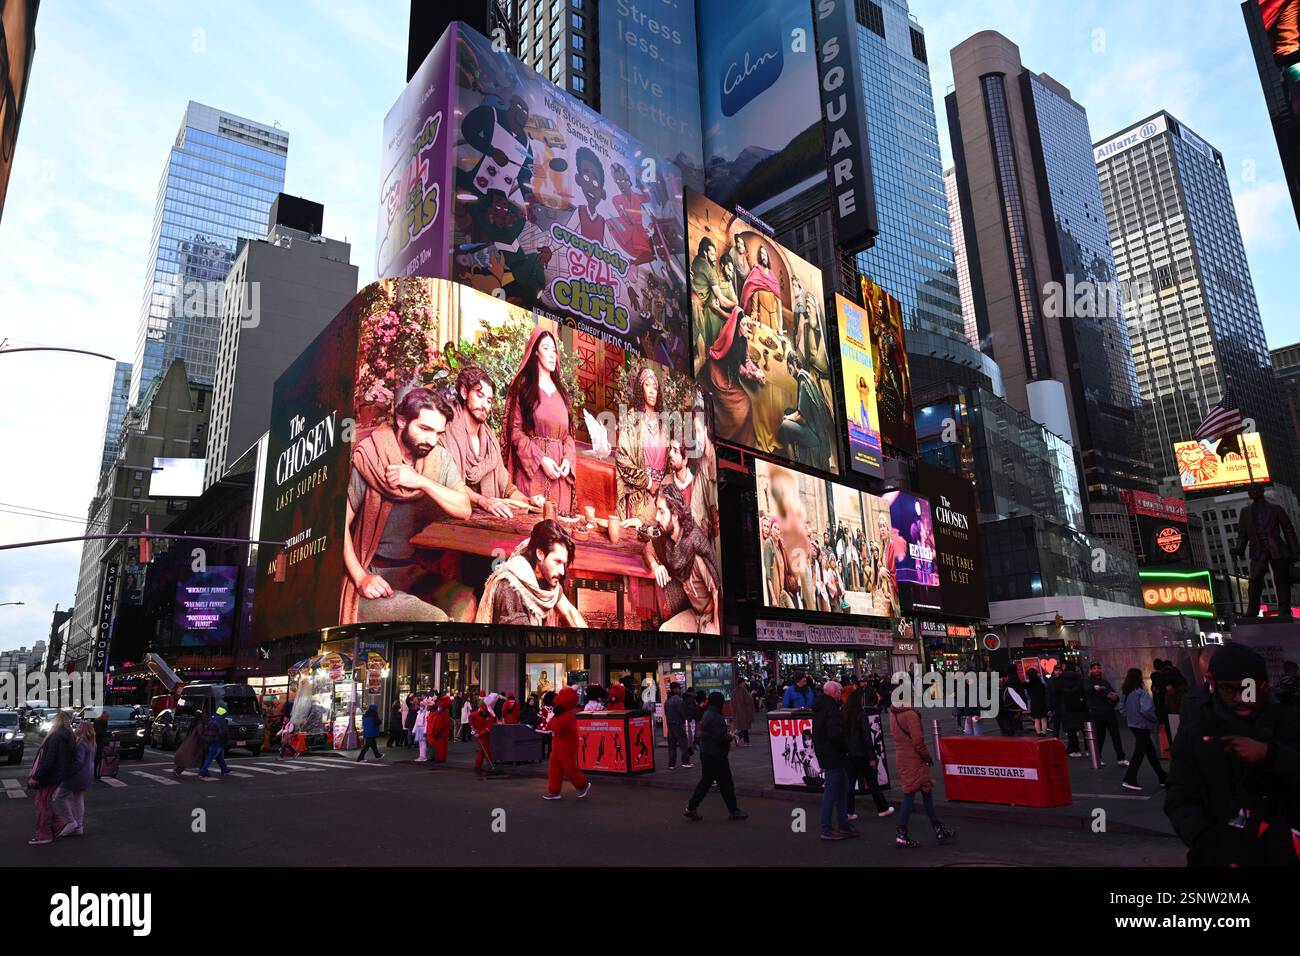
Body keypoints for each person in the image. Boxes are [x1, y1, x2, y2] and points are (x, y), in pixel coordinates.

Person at [341, 387, 472, 625]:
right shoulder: (372, 457)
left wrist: (420, 481)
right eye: (424, 429)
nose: (431, 440)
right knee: (433, 618)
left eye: (438, 433)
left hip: (411, 570)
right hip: (372, 572)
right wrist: (361, 578)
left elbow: (464, 508)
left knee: (466, 602)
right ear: (402, 421)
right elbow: (336, 526)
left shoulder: (438, 459)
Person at [1165, 643, 1300, 865]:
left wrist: (1271, 755)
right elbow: (1179, 796)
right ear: (1215, 687)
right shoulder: (1197, 731)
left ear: (1263, 685)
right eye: (1229, 689)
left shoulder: (1291, 721)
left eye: (1248, 689)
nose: (1240, 698)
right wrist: (1205, 839)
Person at [441, 365, 546, 521]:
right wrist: (483, 501)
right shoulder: (445, 431)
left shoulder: (490, 440)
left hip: (484, 519)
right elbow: (449, 482)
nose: (485, 405)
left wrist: (528, 501)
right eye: (480, 395)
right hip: (449, 516)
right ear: (464, 392)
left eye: (489, 400)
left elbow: (506, 488)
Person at [502, 327, 576, 515]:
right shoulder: (524, 388)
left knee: (557, 534)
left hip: (559, 476)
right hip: (532, 474)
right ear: (535, 352)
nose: (552, 355)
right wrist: (541, 460)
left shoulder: (562, 393)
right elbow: (515, 432)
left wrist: (568, 460)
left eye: (554, 350)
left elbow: (568, 436)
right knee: (530, 530)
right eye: (546, 348)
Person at [691, 236, 757, 445]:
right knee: (700, 355)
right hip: (698, 312)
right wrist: (736, 310)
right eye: (711, 253)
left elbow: (743, 361)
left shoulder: (740, 337)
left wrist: (753, 371)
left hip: (727, 374)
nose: (713, 256)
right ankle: (689, 390)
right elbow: (721, 301)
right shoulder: (711, 272)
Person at [477, 519, 588, 627]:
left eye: (563, 564)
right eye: (557, 562)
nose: (562, 571)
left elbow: (569, 612)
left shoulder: (545, 574)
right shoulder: (512, 587)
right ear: (540, 554)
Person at [644, 483, 722, 633]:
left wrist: (715, 627)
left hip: (711, 616)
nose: (656, 517)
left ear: (674, 515)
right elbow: (648, 547)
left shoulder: (696, 549)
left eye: (661, 512)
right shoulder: (666, 539)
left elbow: (715, 591)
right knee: (665, 630)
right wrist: (656, 565)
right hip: (694, 614)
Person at [890, 696, 954, 847]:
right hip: (915, 759)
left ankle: (937, 827)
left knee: (923, 791)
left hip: (903, 757)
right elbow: (918, 741)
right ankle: (903, 832)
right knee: (913, 794)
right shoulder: (910, 715)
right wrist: (927, 757)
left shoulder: (894, 713)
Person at [1233, 483, 1297, 619]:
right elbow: (1242, 533)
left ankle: (1284, 610)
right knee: (1255, 579)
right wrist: (1239, 549)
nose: (1251, 492)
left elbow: (1288, 529)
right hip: (1258, 550)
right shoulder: (1245, 512)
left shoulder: (1276, 509)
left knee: (1282, 581)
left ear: (1261, 491)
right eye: (1249, 490)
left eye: (1254, 489)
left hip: (1278, 549)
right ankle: (1252, 610)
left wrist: (1294, 551)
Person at [684, 692, 748, 821]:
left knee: (706, 782)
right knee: (726, 783)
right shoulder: (717, 717)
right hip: (717, 755)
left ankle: (691, 808)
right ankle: (733, 810)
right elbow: (721, 738)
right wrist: (730, 736)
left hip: (706, 753)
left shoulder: (707, 714)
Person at [615, 365, 668, 524]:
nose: (652, 391)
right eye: (647, 385)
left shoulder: (663, 423)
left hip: (660, 498)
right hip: (638, 495)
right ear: (640, 388)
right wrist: (649, 483)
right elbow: (622, 459)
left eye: (655, 387)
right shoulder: (632, 418)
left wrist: (661, 487)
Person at [811, 681, 855, 840]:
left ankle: (843, 824)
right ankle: (826, 828)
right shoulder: (832, 709)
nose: (840, 693)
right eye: (839, 691)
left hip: (826, 752)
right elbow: (835, 734)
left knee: (843, 786)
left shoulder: (820, 707)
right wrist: (846, 747)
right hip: (833, 754)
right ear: (833, 692)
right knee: (832, 791)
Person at [844, 686, 894, 820]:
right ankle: (882, 808)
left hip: (849, 754)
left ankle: (848, 811)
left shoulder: (843, 713)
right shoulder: (861, 714)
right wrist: (872, 757)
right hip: (862, 753)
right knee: (872, 782)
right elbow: (866, 737)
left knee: (850, 784)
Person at [27, 711, 75, 846]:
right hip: (56, 775)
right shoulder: (67, 736)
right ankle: (58, 824)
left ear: (57, 721)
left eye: (53, 719)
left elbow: (49, 761)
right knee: (42, 803)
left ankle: (45, 834)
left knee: (43, 806)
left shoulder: (55, 737)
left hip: (49, 776)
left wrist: (36, 776)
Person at [1119, 668, 1166, 790]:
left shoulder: (1126, 691)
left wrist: (1129, 716)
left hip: (1133, 724)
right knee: (1139, 752)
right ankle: (1129, 778)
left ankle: (1162, 776)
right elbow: (1146, 709)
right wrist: (1154, 718)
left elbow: (1121, 708)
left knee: (1149, 751)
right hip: (1143, 725)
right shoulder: (1141, 692)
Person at [542, 686, 591, 800]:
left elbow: (555, 727)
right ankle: (554, 791)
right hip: (559, 742)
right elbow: (552, 726)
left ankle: (583, 785)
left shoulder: (566, 715)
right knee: (554, 768)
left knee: (569, 767)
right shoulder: (562, 714)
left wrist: (551, 720)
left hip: (567, 744)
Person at [52, 720, 95, 838]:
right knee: (78, 798)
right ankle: (79, 826)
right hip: (87, 775)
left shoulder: (81, 743)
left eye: (79, 726)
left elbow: (79, 761)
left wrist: (68, 772)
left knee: (59, 798)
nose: (76, 728)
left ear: (83, 729)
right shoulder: (92, 742)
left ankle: (71, 822)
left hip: (77, 775)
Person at [1086, 662, 1127, 766]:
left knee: (1116, 735)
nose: (1097, 670)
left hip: (1109, 711)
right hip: (1097, 712)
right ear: (1090, 670)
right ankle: (1098, 757)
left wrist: (1114, 697)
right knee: (1100, 736)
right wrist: (1094, 689)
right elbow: (1085, 691)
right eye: (1094, 668)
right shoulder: (1087, 682)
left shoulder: (1105, 681)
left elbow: (1113, 694)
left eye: (1098, 668)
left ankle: (1121, 758)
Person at [1055, 664, 1088, 756]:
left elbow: (1055, 692)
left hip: (1066, 708)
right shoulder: (1079, 679)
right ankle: (1088, 749)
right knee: (1084, 729)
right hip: (1080, 707)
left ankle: (1074, 749)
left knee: (1071, 731)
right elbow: (1084, 692)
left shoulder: (1061, 680)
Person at [198, 707, 232, 777]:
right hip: (217, 741)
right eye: (225, 714)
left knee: (220, 757)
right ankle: (202, 771)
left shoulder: (212, 720)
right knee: (210, 757)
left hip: (210, 741)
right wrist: (226, 739)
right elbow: (222, 733)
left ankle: (224, 769)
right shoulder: (221, 721)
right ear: (222, 714)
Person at [664, 685, 692, 769]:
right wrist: (685, 719)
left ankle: (671, 764)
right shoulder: (678, 699)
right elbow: (682, 711)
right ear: (675, 689)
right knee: (683, 743)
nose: (681, 690)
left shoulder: (667, 700)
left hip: (670, 724)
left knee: (672, 745)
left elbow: (665, 712)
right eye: (679, 688)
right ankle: (685, 762)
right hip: (678, 724)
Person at [173, 709, 207, 776]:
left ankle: (204, 772)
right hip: (195, 742)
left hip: (189, 740)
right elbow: (199, 733)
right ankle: (178, 770)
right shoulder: (199, 723)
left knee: (196, 757)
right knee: (192, 757)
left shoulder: (193, 722)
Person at [469, 698, 496, 773]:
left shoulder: (489, 715)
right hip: (480, 735)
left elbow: (489, 727)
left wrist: (479, 733)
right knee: (483, 750)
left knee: (485, 749)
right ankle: (481, 764)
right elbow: (470, 719)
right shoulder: (476, 714)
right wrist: (472, 727)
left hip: (484, 734)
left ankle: (487, 763)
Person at [427, 695, 453, 764]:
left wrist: (436, 732)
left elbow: (440, 724)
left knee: (440, 746)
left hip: (440, 733)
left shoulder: (443, 713)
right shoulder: (444, 712)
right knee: (442, 746)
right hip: (443, 732)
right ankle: (441, 757)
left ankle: (440, 758)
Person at [731, 676, 755, 746]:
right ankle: (739, 737)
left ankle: (746, 741)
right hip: (744, 711)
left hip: (737, 711)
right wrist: (751, 694)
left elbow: (732, 702)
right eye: (744, 682)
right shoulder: (743, 690)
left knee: (744, 727)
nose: (745, 683)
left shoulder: (734, 691)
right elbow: (748, 700)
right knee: (745, 727)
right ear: (741, 683)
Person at [1025, 668, 1049, 736]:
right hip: (1042, 702)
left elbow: (1027, 695)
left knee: (1036, 720)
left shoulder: (1028, 685)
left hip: (1034, 703)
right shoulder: (1041, 684)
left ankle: (1038, 733)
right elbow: (1045, 692)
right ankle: (1044, 733)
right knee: (1043, 719)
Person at [92, 711, 109, 779]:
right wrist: (109, 734)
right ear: (103, 716)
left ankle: (98, 772)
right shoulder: (98, 721)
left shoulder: (104, 722)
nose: (107, 718)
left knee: (99, 757)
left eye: (107, 717)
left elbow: (103, 731)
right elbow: (99, 732)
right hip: (97, 741)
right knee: (97, 757)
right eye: (106, 717)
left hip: (101, 741)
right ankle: (95, 772)